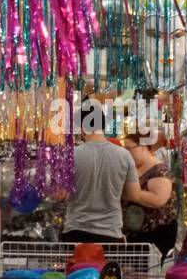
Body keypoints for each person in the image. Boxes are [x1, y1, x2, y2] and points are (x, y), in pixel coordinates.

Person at [62, 100, 141, 244]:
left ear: (82, 128)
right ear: (103, 126)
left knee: (78, 268)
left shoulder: (70, 155)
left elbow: (60, 194)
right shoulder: (124, 155)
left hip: (76, 231)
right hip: (110, 231)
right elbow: (134, 195)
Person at [121, 130, 177, 258]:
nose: (126, 153)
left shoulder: (159, 171)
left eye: (129, 149)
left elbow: (158, 199)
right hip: (135, 234)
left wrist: (132, 194)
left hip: (155, 236)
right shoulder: (132, 168)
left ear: (142, 147)